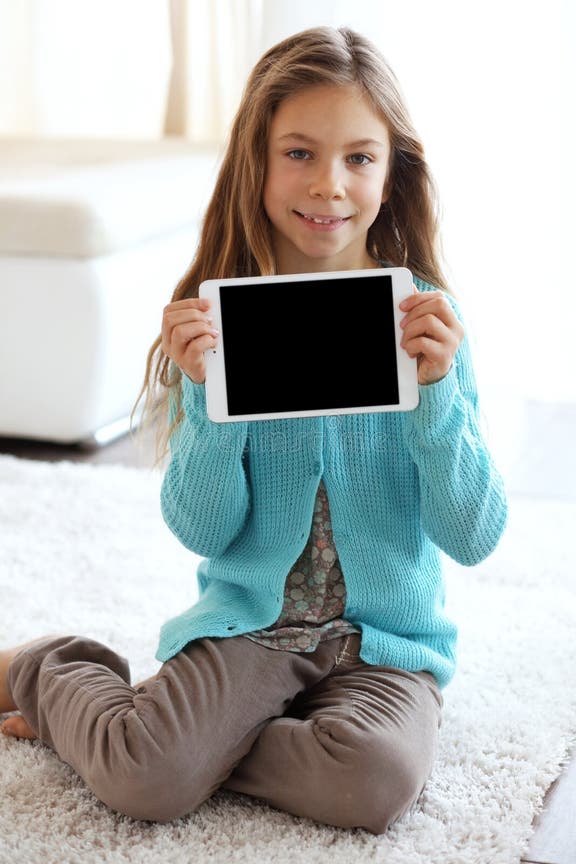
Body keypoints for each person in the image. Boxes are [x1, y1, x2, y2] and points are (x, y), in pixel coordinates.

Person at [0, 26, 507, 834]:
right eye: (299, 153)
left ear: (392, 168)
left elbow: (475, 535)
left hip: (385, 645)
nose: (330, 185)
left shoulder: (425, 323)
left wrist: (438, 399)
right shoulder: (219, 319)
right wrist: (206, 402)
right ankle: (53, 668)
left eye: (359, 158)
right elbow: (199, 526)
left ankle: (169, 737)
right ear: (257, 161)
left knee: (373, 782)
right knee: (149, 783)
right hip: (252, 627)